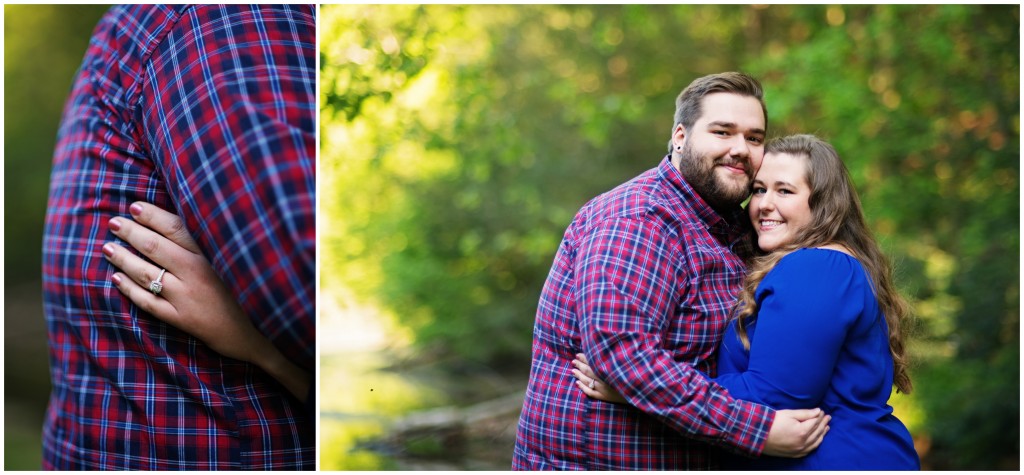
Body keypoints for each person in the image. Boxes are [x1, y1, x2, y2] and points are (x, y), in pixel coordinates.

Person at [41, 5, 316, 470]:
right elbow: (303, 298)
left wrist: (266, 350)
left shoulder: (161, 24)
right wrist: (272, 353)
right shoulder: (227, 21)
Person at [511, 72, 829, 471]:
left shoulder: (734, 227)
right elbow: (623, 355)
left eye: (753, 137)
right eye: (722, 131)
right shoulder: (639, 220)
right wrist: (758, 430)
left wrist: (631, 389)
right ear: (680, 136)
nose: (740, 149)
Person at [572, 134, 921, 470]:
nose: (764, 203)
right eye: (758, 189)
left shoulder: (816, 267)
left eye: (784, 190)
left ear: (825, 204)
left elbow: (776, 393)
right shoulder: (818, 265)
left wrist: (641, 386)